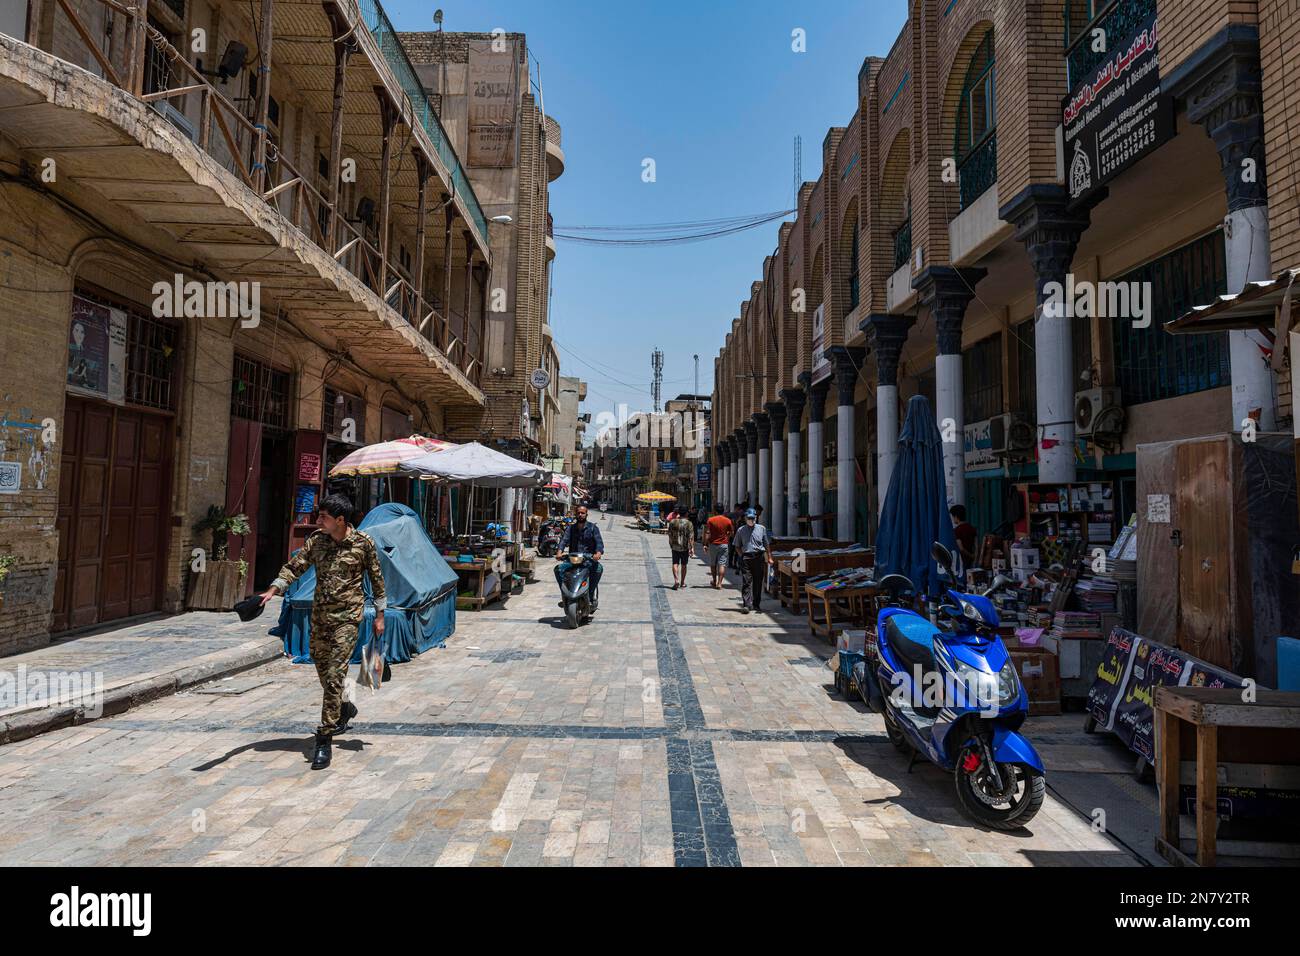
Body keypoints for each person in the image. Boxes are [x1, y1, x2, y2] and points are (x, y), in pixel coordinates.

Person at [259, 493, 385, 771]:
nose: (318, 521)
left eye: (323, 517)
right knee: (323, 669)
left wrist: (380, 615)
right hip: (320, 619)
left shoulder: (363, 544)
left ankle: (324, 739)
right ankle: (344, 709)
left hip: (348, 620)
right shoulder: (317, 542)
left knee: (334, 675)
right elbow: (295, 567)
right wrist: (273, 589)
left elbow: (377, 579)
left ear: (340, 520)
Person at [555, 503, 604, 608]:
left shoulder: (593, 528)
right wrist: (559, 552)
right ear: (575, 514)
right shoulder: (570, 528)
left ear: (586, 514)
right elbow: (564, 540)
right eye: (578, 513)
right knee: (558, 569)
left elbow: (599, 543)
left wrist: (598, 553)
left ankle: (590, 595)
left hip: (588, 560)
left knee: (598, 568)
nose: (580, 515)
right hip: (573, 560)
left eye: (583, 513)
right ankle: (565, 594)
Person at [732, 508, 773, 613]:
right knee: (746, 582)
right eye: (749, 518)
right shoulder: (741, 530)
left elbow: (766, 544)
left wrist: (769, 556)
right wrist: (741, 556)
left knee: (758, 582)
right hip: (746, 558)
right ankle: (747, 604)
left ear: (756, 517)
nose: (751, 520)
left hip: (759, 557)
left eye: (753, 518)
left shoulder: (761, 529)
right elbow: (737, 546)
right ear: (745, 518)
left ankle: (756, 604)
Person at [704, 503, 734, 590]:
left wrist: (705, 544)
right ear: (723, 510)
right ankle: (720, 583)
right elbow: (732, 533)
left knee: (713, 564)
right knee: (722, 564)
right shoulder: (728, 520)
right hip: (724, 544)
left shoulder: (710, 520)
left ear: (715, 510)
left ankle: (714, 580)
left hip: (713, 544)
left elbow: (708, 533)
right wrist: (727, 537)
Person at [667, 506, 694, 590]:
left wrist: (671, 543)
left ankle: (676, 580)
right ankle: (682, 582)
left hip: (675, 546)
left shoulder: (672, 522)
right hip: (684, 547)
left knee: (675, 563)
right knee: (684, 565)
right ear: (686, 513)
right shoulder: (689, 523)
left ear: (679, 512)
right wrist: (692, 548)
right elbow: (691, 537)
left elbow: (670, 534)